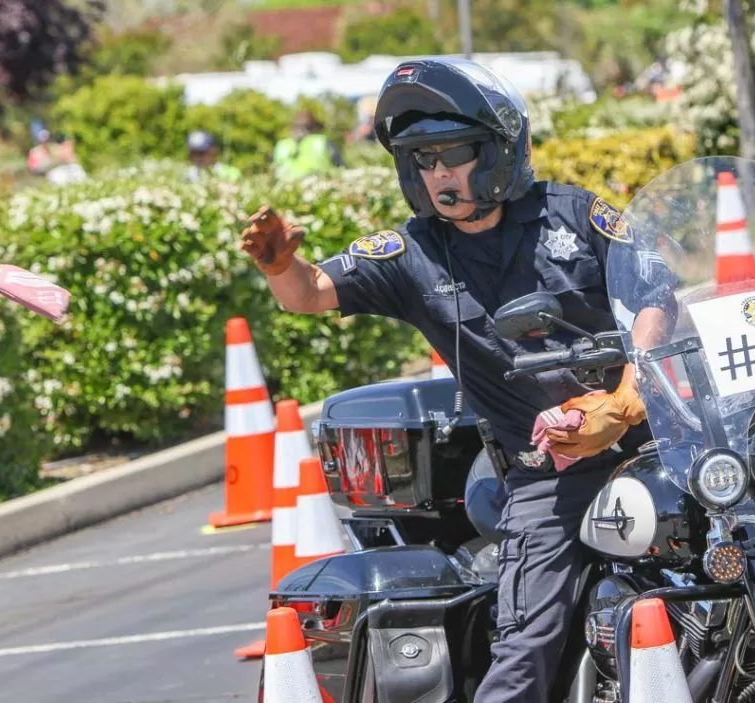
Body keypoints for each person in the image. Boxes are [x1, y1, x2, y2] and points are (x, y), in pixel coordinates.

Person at [239, 58, 677, 702]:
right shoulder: (410, 254)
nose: (439, 173)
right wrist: (280, 263)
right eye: (423, 159)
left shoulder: (573, 215)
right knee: (527, 643)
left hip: (654, 441)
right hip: (550, 472)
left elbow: (655, 294)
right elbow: (308, 293)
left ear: (499, 151)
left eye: (454, 154)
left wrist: (631, 390)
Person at [272, 110, 341, 180]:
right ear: (314, 128)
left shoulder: (281, 145)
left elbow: (272, 171)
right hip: (319, 187)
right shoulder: (322, 141)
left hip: (285, 188)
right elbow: (340, 168)